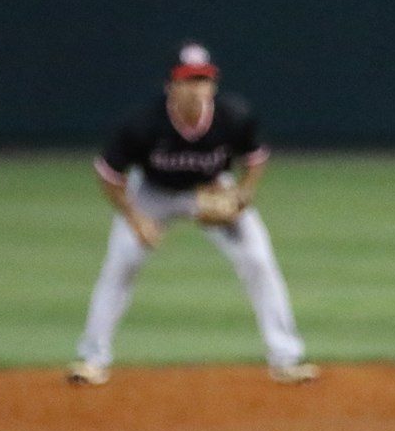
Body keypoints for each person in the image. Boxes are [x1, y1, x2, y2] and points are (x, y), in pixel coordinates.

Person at [67, 43, 317, 387]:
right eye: (188, 80)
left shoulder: (233, 115)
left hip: (213, 187)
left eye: (204, 79)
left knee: (258, 259)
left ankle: (286, 358)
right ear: (171, 85)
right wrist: (135, 217)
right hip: (153, 194)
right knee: (121, 262)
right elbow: (109, 175)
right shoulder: (143, 123)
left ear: (213, 85)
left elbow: (256, 157)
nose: (197, 87)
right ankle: (92, 359)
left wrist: (242, 193)